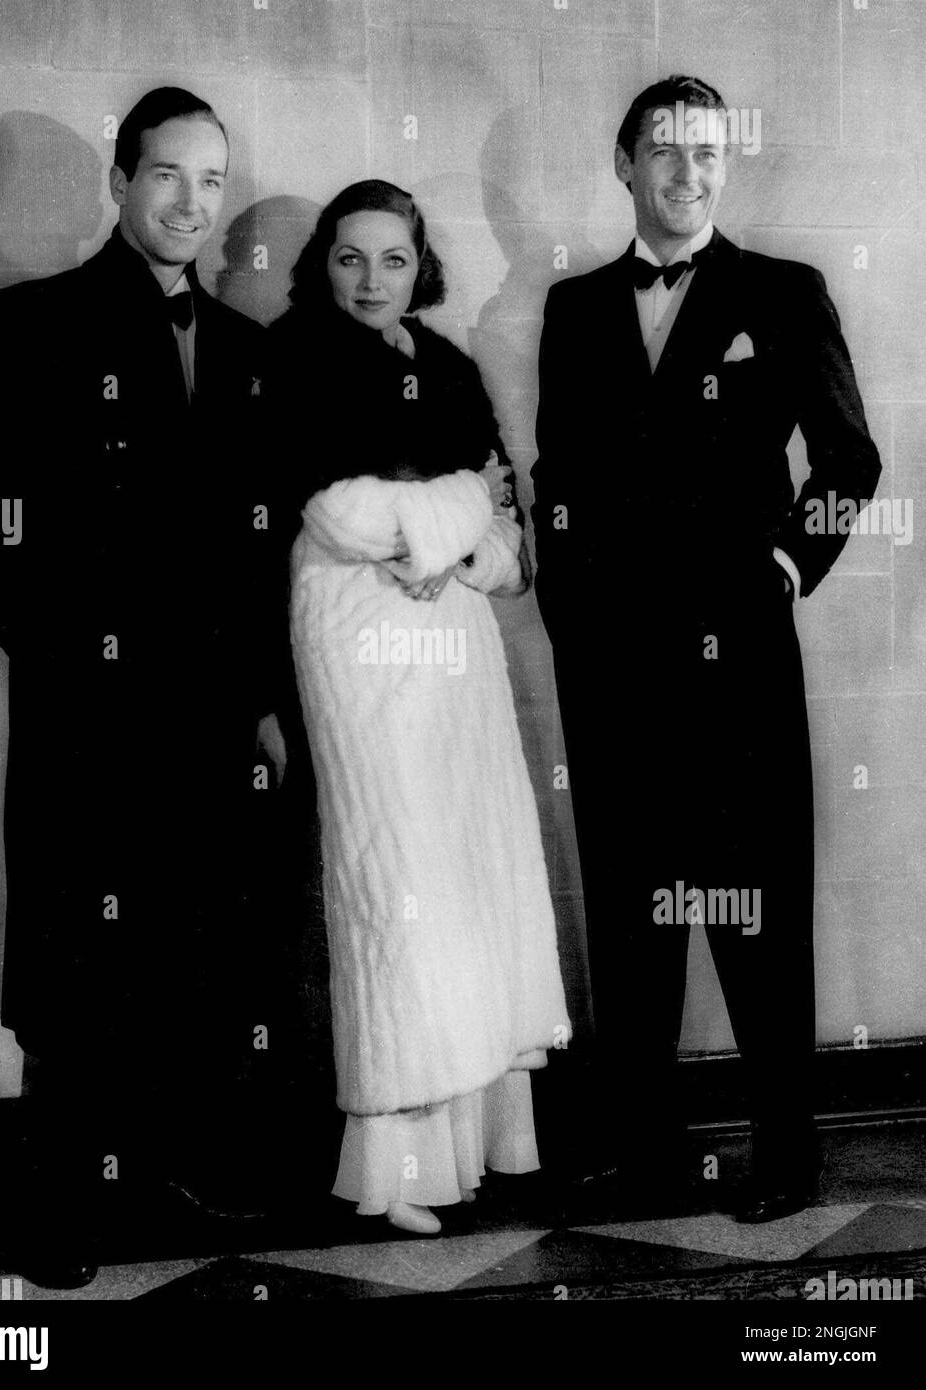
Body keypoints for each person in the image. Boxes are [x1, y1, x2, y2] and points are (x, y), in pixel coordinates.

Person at [0, 87, 286, 1285]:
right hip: (88, 715)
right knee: (79, 957)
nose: (191, 203)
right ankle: (63, 1202)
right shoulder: (31, 326)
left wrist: (265, 701)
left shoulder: (247, 352)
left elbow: (261, 546)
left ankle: (171, 1170)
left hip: (207, 716)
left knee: (193, 943)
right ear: (119, 184)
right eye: (168, 176)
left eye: (213, 182)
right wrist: (59, 641)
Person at [532, 75, 882, 1223]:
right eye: (666, 151)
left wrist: (785, 569)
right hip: (614, 667)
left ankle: (784, 1147)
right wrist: (574, 617)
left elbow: (849, 468)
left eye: (709, 151)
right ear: (623, 163)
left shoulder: (782, 291)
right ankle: (646, 1150)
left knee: (755, 905)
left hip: (739, 660)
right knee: (634, 910)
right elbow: (558, 486)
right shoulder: (575, 309)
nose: (690, 172)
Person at [270, 180, 572, 1236]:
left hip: (453, 643)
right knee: (390, 879)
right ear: (325, 264)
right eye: (350, 258)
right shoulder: (292, 356)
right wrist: (447, 523)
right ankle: (394, 1170)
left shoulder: (446, 365)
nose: (371, 280)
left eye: (392, 259)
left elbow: (508, 540)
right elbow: (337, 511)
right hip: (354, 635)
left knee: (466, 872)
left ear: (419, 265)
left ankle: (485, 1149)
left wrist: (448, 536)